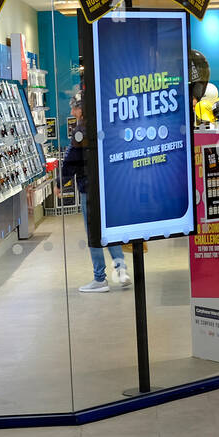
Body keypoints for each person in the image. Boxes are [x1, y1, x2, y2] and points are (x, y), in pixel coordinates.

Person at [61, 93, 130, 293]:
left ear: (82, 109)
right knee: (107, 230)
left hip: (88, 188)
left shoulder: (80, 130)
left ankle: (100, 278)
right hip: (105, 186)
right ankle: (121, 271)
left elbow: (72, 161)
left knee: (94, 233)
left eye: (75, 108)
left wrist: (60, 181)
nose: (72, 112)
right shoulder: (102, 126)